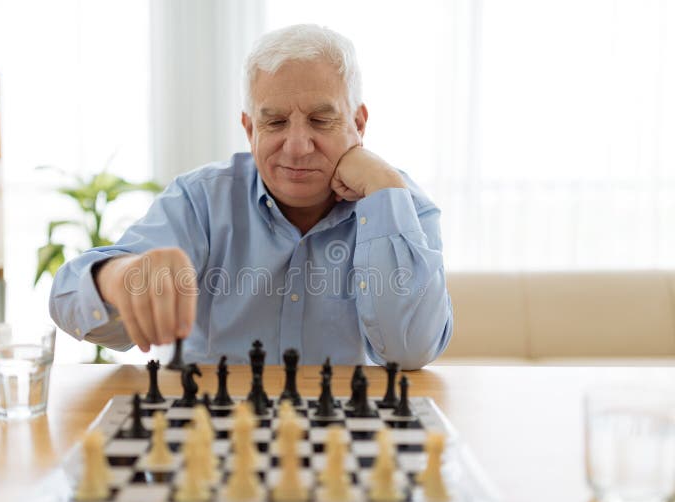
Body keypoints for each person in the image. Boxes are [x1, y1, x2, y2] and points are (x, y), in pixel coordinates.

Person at [49, 24, 453, 369]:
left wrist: (382, 187)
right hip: (218, 433)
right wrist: (118, 278)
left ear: (358, 123)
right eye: (274, 121)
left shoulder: (403, 205)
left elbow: (410, 350)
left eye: (321, 119)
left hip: (340, 436)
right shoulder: (201, 200)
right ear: (249, 129)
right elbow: (67, 299)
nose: (297, 146)